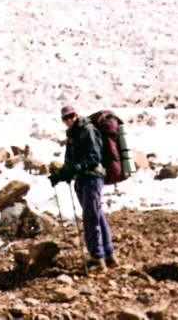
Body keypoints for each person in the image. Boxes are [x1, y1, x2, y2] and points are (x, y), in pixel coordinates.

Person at [49, 105, 117, 272]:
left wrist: (75, 169)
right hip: (83, 179)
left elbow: (94, 157)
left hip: (92, 177)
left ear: (76, 115)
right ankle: (109, 257)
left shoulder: (88, 130)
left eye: (71, 116)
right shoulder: (73, 135)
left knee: (91, 217)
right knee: (97, 215)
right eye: (65, 118)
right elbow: (70, 162)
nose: (68, 120)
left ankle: (98, 259)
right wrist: (61, 175)